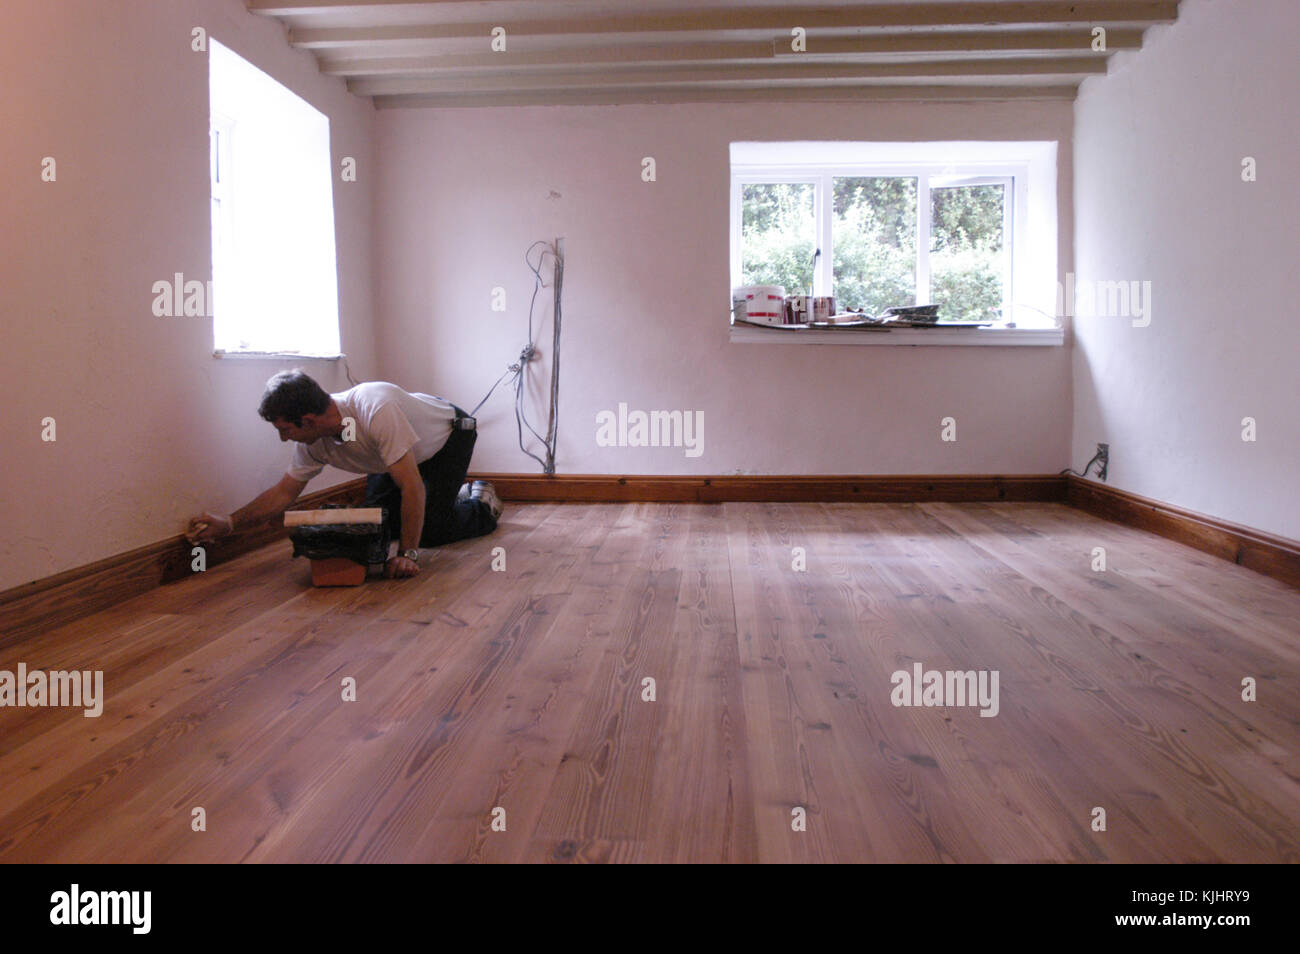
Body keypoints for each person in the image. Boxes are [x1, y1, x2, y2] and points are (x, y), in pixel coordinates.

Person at [187, 370, 501, 579]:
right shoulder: (312, 443)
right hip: (394, 458)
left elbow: (412, 488)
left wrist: (408, 555)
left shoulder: (374, 408)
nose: (283, 439)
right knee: (379, 524)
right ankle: (451, 496)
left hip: (448, 437)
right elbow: (283, 493)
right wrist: (229, 523)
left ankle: (481, 502)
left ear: (308, 420)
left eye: (285, 430)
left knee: (431, 531)